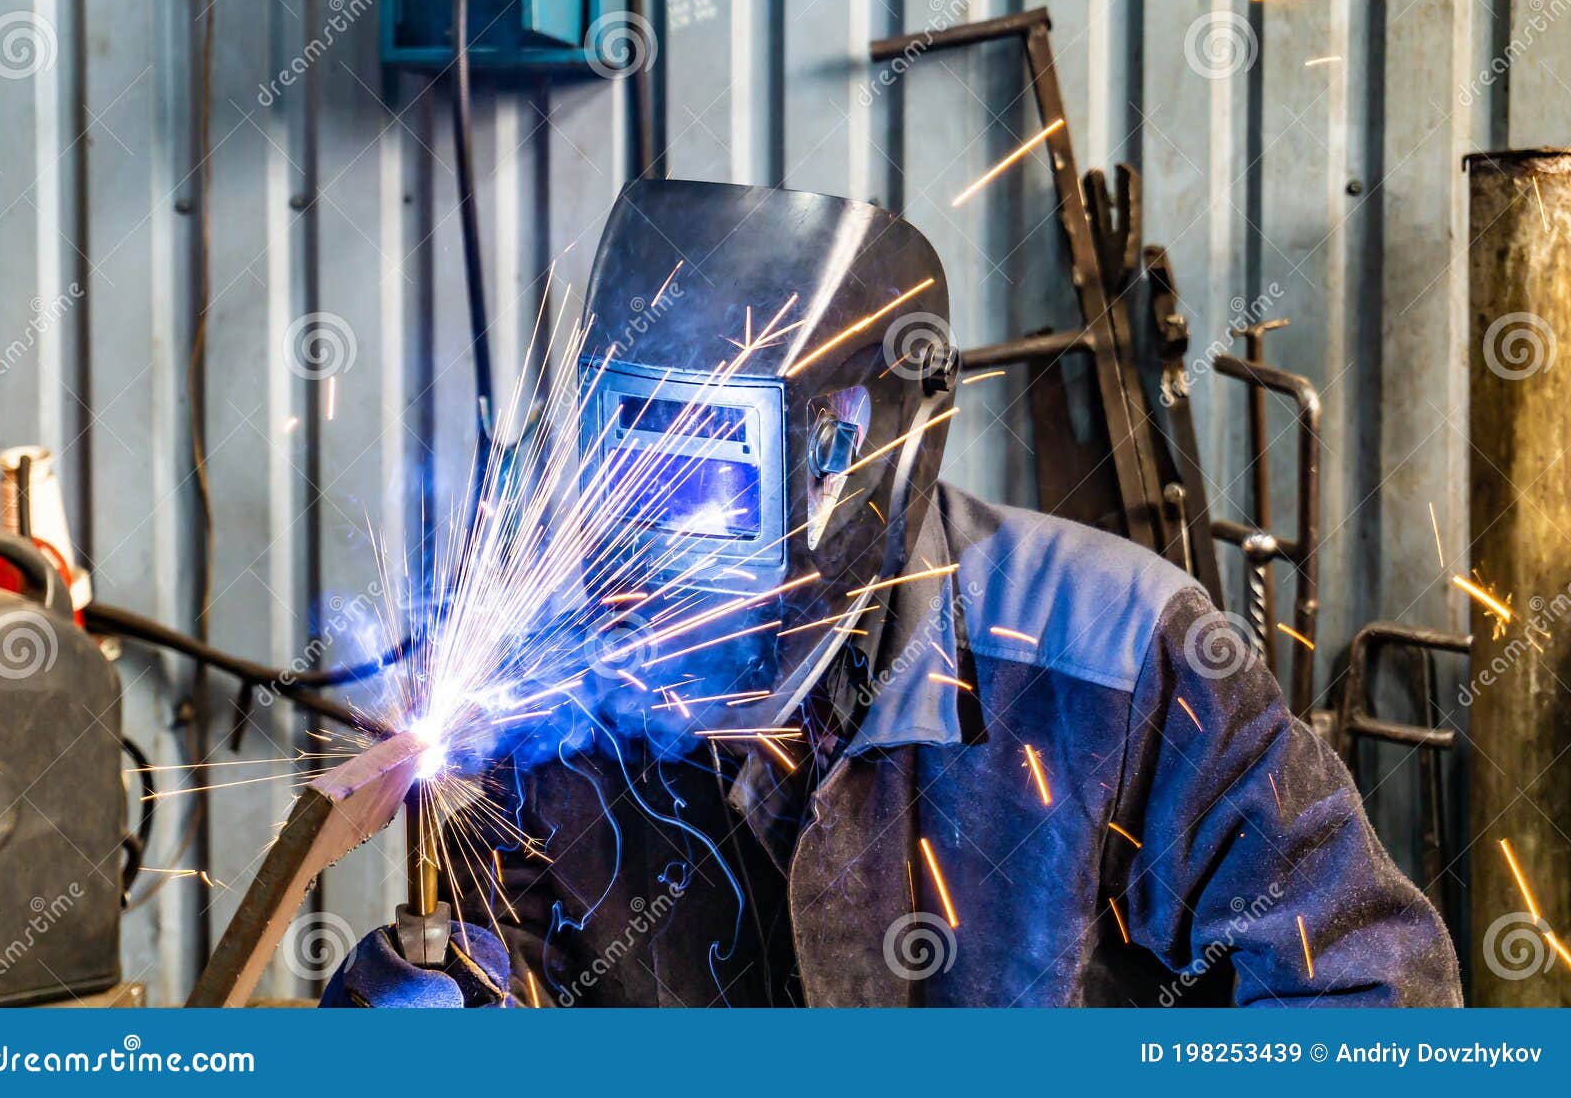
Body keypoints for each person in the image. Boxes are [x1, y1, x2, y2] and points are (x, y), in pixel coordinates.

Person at [322, 181, 1460, 1008]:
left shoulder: (1118, 652)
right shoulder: (574, 684)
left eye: (716, 473)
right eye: (633, 464)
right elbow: (538, 954)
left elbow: (1365, 998)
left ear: (861, 455)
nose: (666, 542)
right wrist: (459, 997)